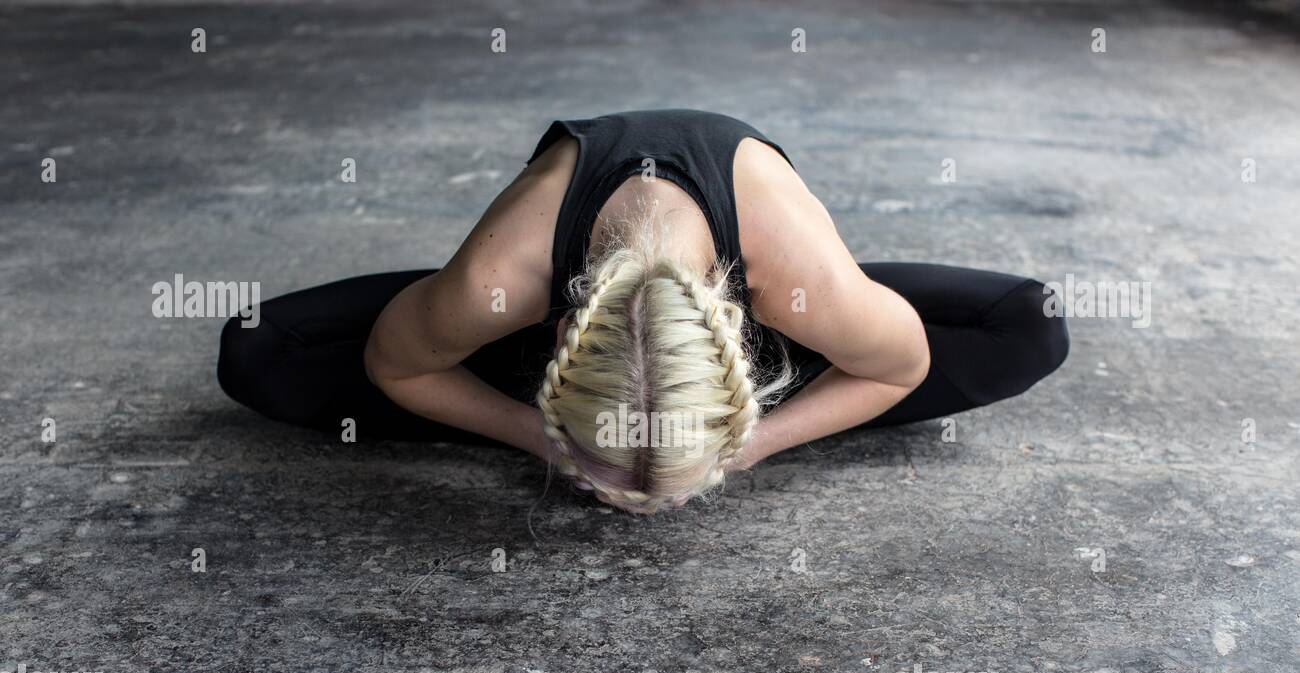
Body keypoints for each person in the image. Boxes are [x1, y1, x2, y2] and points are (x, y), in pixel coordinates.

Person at [218, 109, 1069, 514]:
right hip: (545, 316)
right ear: (556, 344)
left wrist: (738, 453)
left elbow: (902, 366)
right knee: (257, 351)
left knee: (1032, 324)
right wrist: (542, 440)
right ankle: (569, 398)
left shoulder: (796, 281)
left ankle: (718, 400)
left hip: (765, 309)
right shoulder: (497, 283)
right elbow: (395, 365)